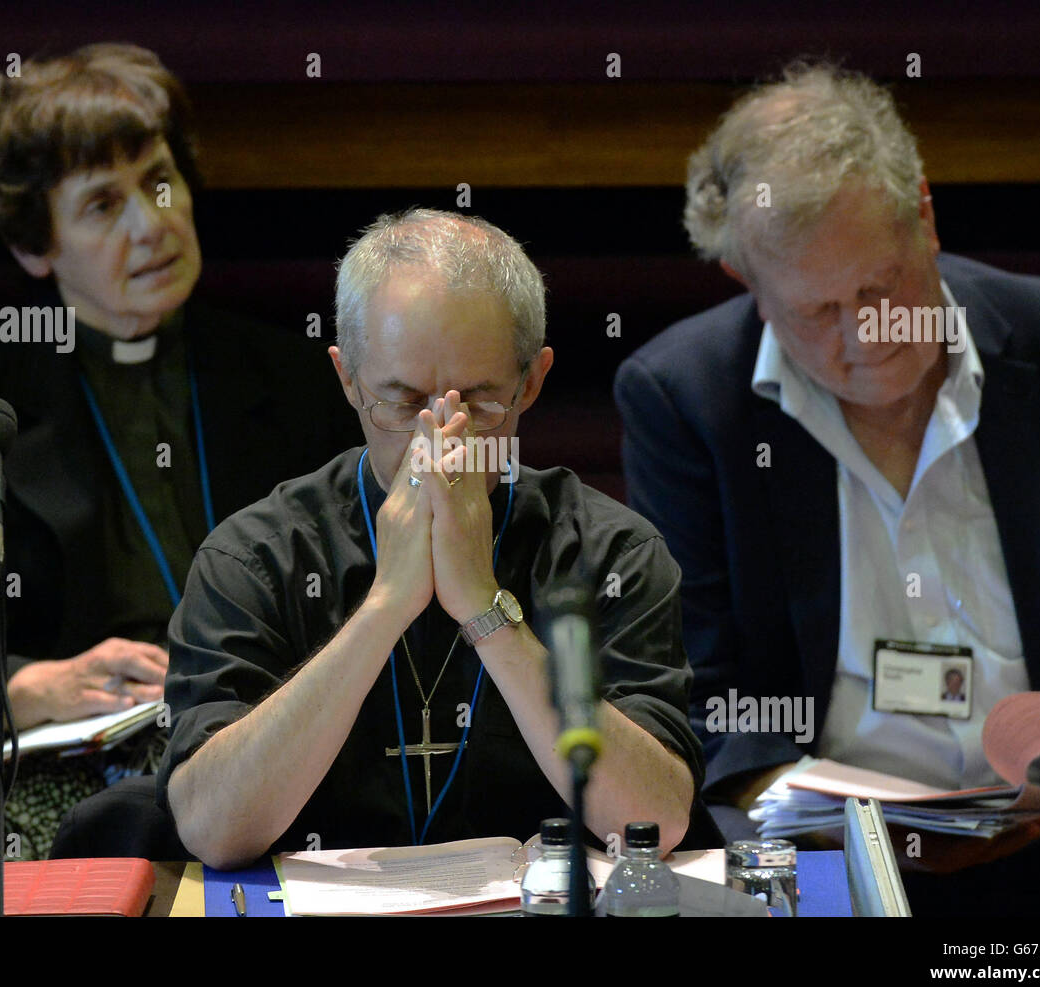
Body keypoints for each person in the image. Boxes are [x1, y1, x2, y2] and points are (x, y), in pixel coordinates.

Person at [614, 61, 1040, 911]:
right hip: (828, 868)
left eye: (882, 286)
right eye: (819, 310)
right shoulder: (686, 401)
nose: (870, 335)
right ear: (751, 288)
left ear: (925, 212)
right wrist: (828, 814)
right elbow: (702, 695)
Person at [0, 43, 358, 862]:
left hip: (278, 759)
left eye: (161, 181)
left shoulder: (297, 377)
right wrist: (31, 687)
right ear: (36, 245)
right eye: (103, 204)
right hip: (73, 784)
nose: (153, 222)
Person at [160, 208, 715, 869]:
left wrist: (485, 606)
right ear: (346, 378)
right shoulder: (255, 555)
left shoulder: (609, 552)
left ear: (531, 382)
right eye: (401, 403)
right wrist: (383, 609)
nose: (436, 446)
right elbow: (211, 827)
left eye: (478, 406)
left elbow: (653, 820)